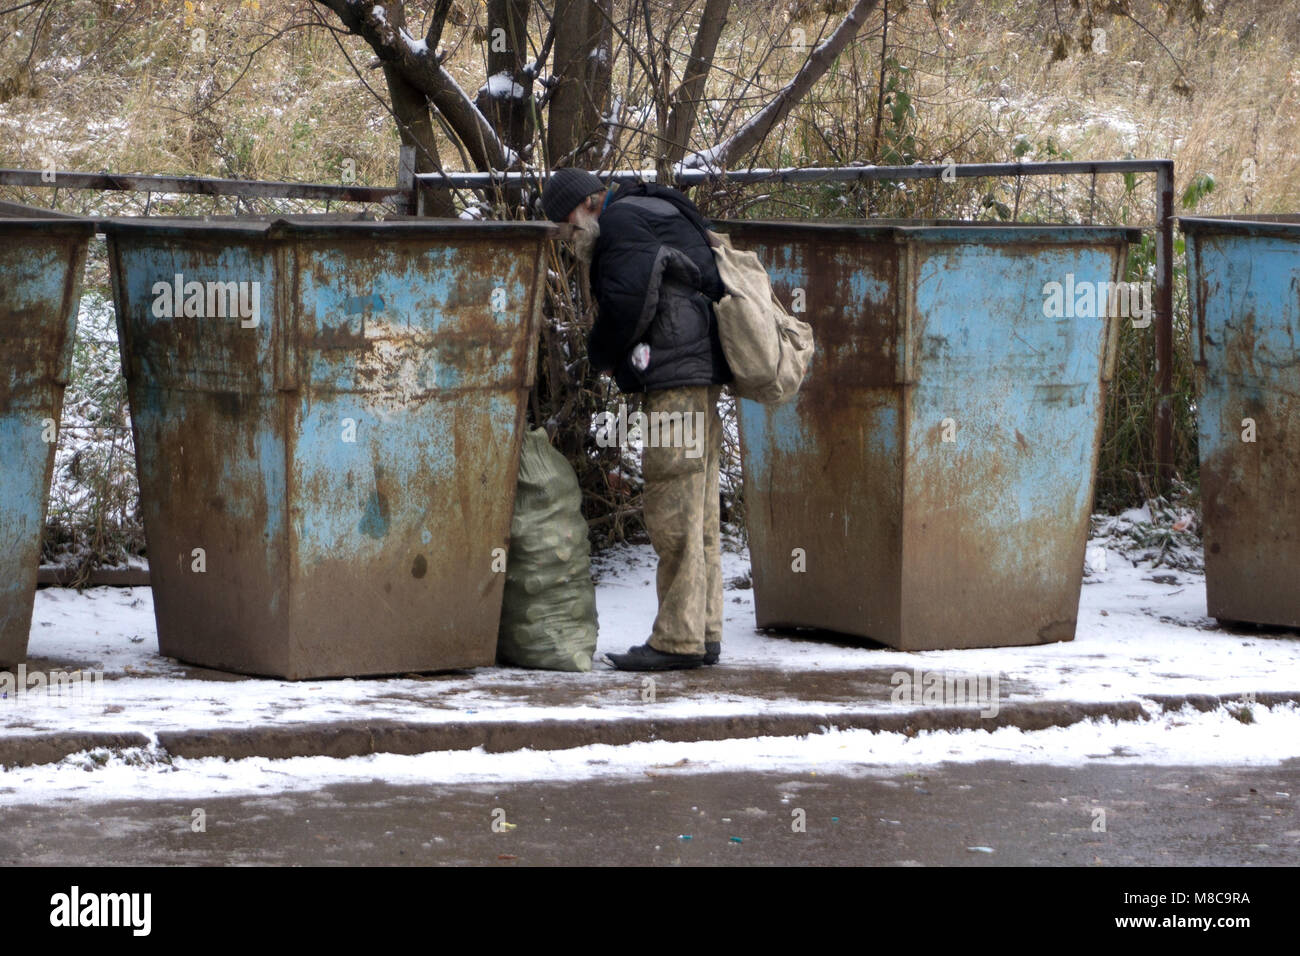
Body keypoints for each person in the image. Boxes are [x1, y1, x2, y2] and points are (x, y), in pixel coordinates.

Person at [542, 167, 732, 671]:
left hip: (676, 381)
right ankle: (703, 630)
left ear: (586, 205)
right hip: (700, 372)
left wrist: (600, 354)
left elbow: (627, 301)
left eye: (567, 228)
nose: (569, 240)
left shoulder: (622, 223)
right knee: (699, 511)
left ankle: (677, 640)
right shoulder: (650, 208)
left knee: (673, 510)